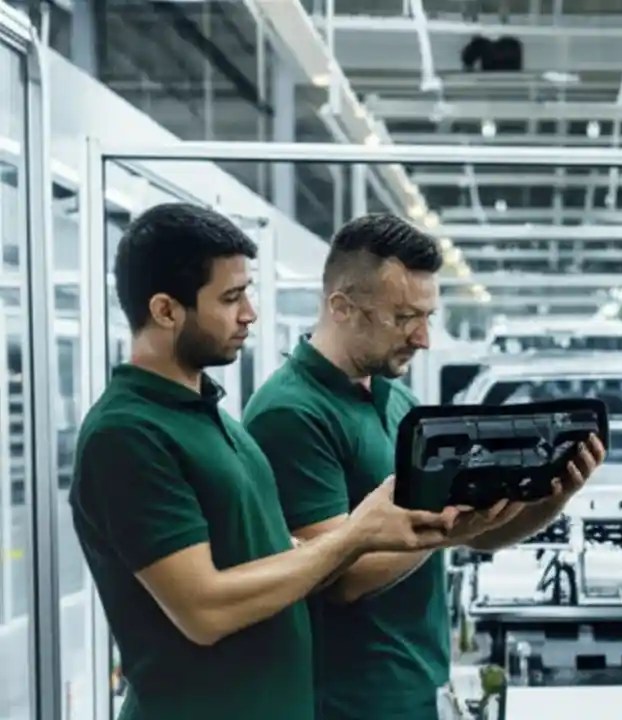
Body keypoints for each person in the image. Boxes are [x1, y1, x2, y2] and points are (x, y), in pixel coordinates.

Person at [69, 203, 465, 720]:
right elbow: (203, 609)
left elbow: (281, 561)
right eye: (231, 298)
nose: (250, 313)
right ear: (166, 310)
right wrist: (357, 533)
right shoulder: (127, 434)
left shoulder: (218, 424)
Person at [243, 213, 606, 720]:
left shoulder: (398, 400)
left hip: (420, 688)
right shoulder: (291, 413)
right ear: (342, 308)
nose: (423, 339)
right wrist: (452, 530)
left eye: (427, 317)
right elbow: (336, 575)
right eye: (404, 317)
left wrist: (555, 493)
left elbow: (476, 535)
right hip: (350, 702)